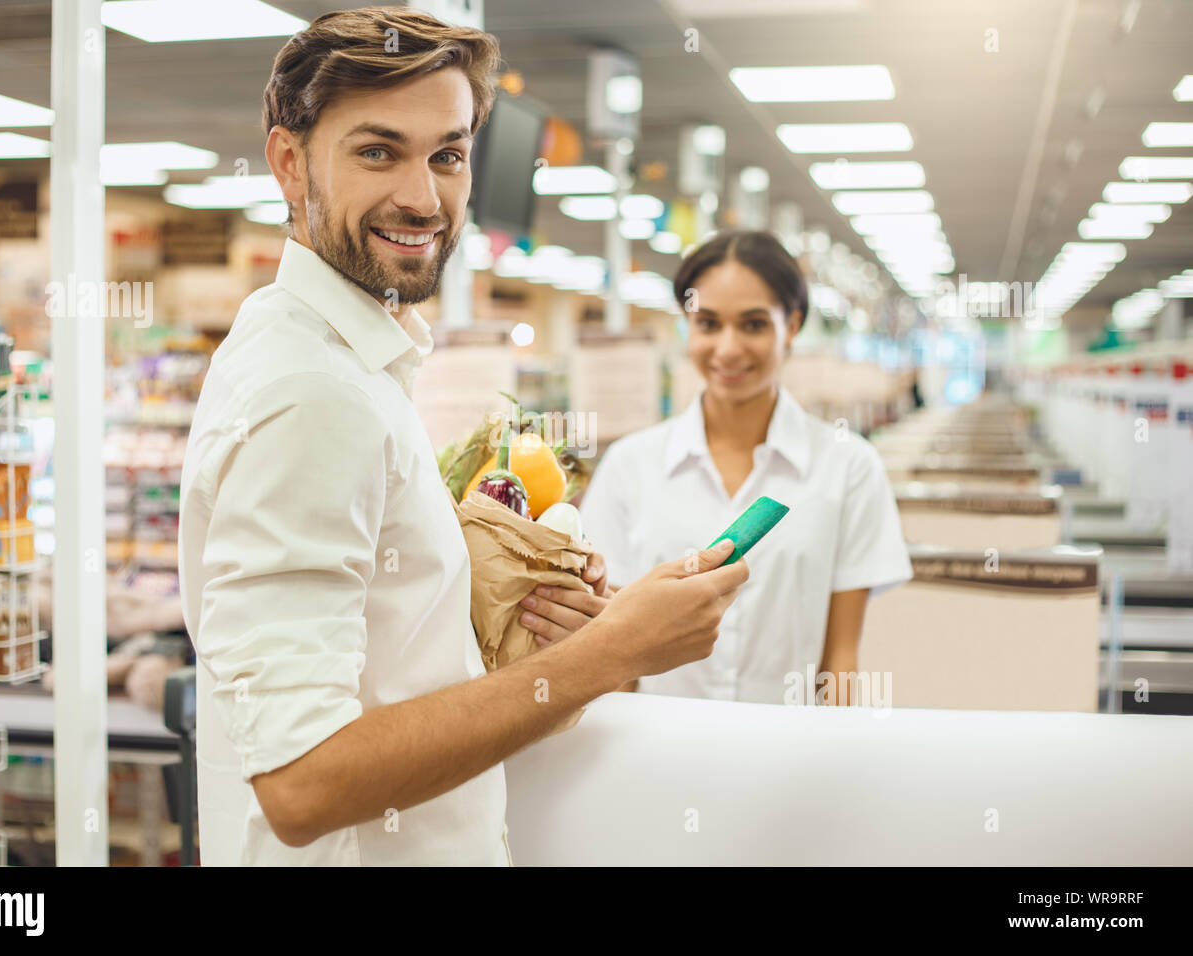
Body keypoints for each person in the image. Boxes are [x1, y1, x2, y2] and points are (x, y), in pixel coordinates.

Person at [177, 8, 750, 867]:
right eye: (378, 151)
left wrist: (483, 598)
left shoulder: (335, 358)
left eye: (446, 154)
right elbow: (303, 782)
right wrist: (610, 653)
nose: (422, 196)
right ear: (290, 164)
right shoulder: (313, 392)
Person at [543, 231, 913, 705]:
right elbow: (615, 654)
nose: (728, 349)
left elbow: (839, 663)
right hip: (658, 753)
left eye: (754, 325)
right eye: (708, 324)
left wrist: (835, 765)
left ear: (792, 325)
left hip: (788, 758)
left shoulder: (848, 466)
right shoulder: (631, 465)